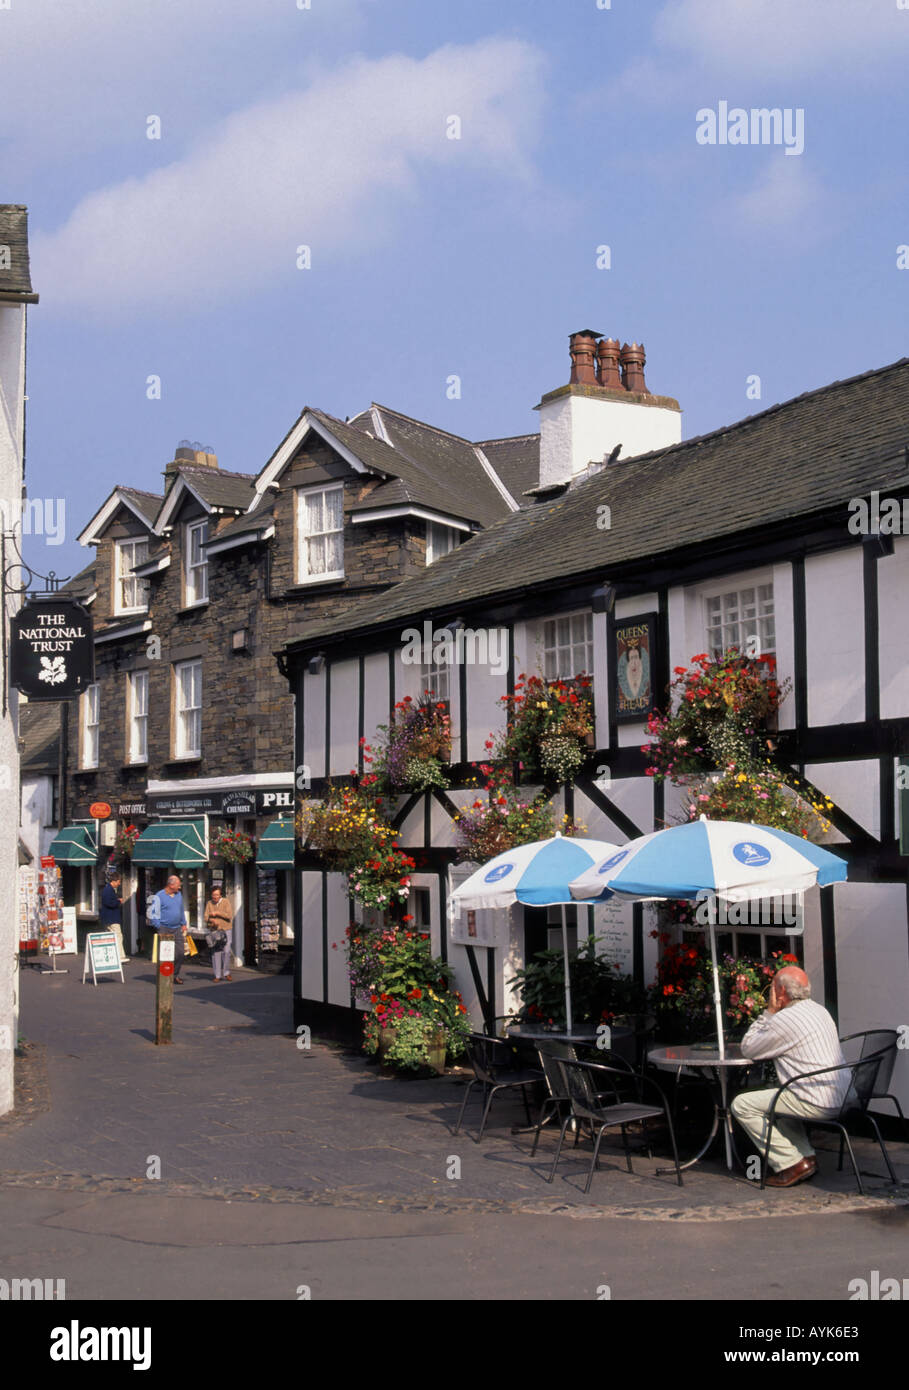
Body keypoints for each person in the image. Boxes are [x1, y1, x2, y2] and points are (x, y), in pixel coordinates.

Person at [731, 965, 849, 1187]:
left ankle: (791, 1163)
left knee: (741, 1104)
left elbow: (749, 1048)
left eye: (772, 987)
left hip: (818, 1100)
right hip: (844, 1095)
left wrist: (769, 1012)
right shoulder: (819, 1010)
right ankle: (807, 1157)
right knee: (780, 1101)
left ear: (780, 991)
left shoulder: (784, 1020)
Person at [151, 875, 189, 983]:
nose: (180, 887)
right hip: (164, 928)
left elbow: (181, 909)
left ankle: (174, 974)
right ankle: (164, 977)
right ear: (171, 885)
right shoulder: (159, 896)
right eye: (178, 885)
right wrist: (159, 927)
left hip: (177, 928)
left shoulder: (178, 895)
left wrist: (183, 923)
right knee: (165, 955)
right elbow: (154, 914)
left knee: (181, 953)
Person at [204, 885, 233, 983]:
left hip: (226, 930)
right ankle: (217, 975)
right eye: (213, 895)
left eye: (217, 895)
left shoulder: (226, 902)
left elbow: (229, 916)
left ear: (220, 895)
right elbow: (205, 917)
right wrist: (211, 920)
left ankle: (226, 972)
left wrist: (217, 913)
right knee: (216, 953)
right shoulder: (209, 903)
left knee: (226, 951)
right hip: (214, 931)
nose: (215, 897)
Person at [100, 872, 130, 962]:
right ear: (114, 881)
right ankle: (120, 956)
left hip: (108, 918)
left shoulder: (108, 889)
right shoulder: (109, 890)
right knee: (118, 936)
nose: (119, 884)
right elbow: (109, 903)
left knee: (110, 937)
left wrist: (116, 900)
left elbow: (108, 901)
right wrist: (118, 902)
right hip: (112, 918)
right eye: (118, 882)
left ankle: (112, 956)